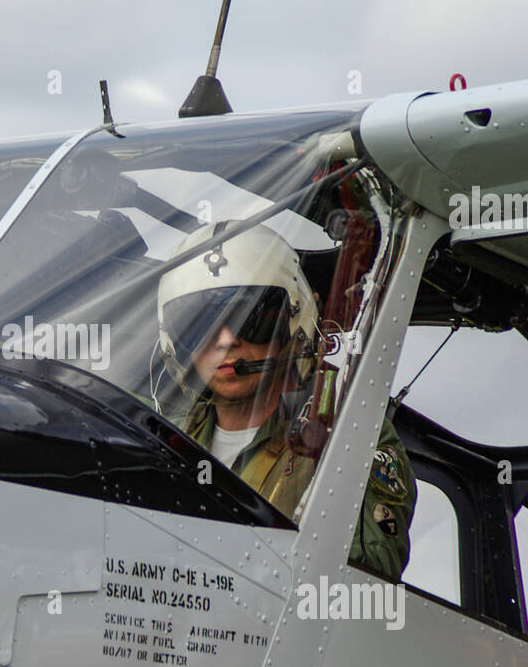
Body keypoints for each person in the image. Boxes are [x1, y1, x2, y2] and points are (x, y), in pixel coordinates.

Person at [156, 223, 415, 581]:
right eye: (200, 324)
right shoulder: (161, 442)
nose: (227, 340)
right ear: (175, 340)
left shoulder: (347, 432)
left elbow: (364, 577)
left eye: (249, 317)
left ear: (294, 319)